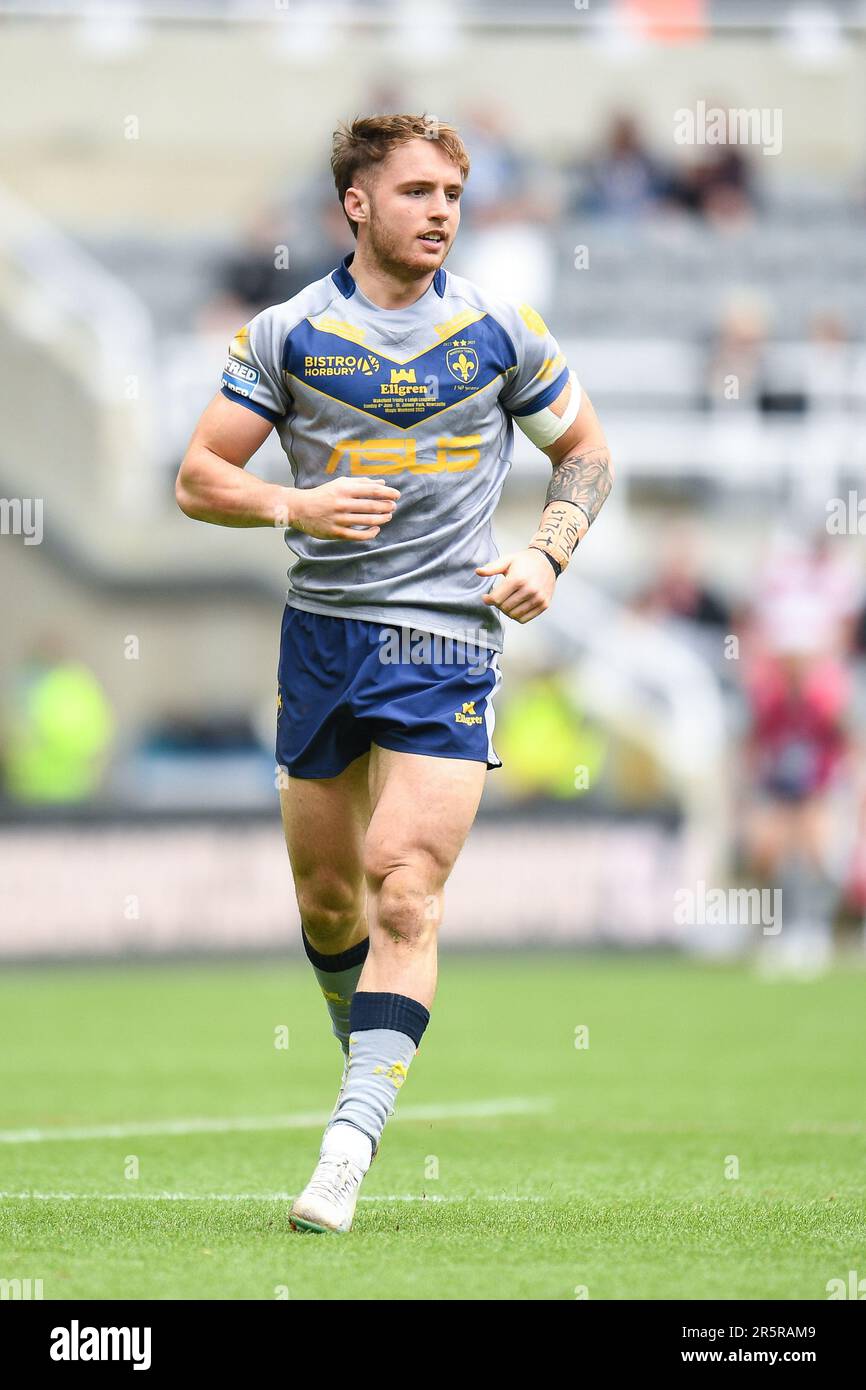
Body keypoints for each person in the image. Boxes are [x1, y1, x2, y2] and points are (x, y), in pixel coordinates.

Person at [175, 113, 613, 1233]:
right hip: (322, 636)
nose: (441, 213)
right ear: (356, 204)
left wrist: (546, 553)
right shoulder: (288, 334)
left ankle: (346, 1145)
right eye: (417, 191)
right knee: (329, 903)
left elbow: (586, 454)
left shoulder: (500, 331)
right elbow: (196, 478)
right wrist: (294, 501)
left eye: (454, 195)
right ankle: (366, 1054)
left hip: (446, 639)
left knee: (401, 886)